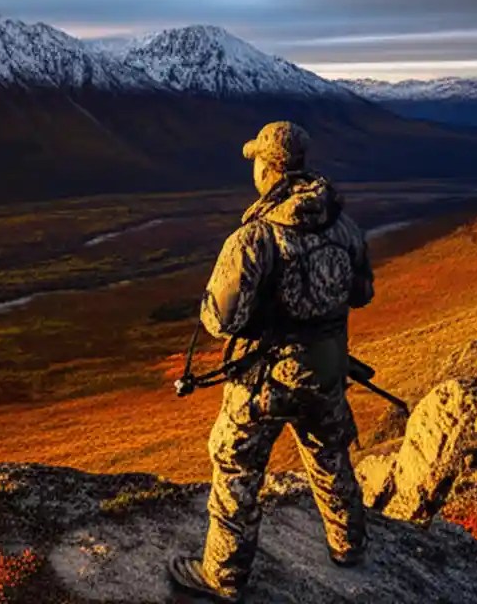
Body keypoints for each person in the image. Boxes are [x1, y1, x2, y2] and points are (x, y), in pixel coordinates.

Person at [168, 121, 375, 602]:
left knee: (236, 466)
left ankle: (222, 576)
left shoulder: (254, 239)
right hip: (325, 373)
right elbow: (362, 294)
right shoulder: (343, 226)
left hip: (264, 384)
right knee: (330, 457)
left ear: (269, 168)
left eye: (258, 162)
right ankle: (349, 546)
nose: (256, 169)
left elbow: (221, 321)